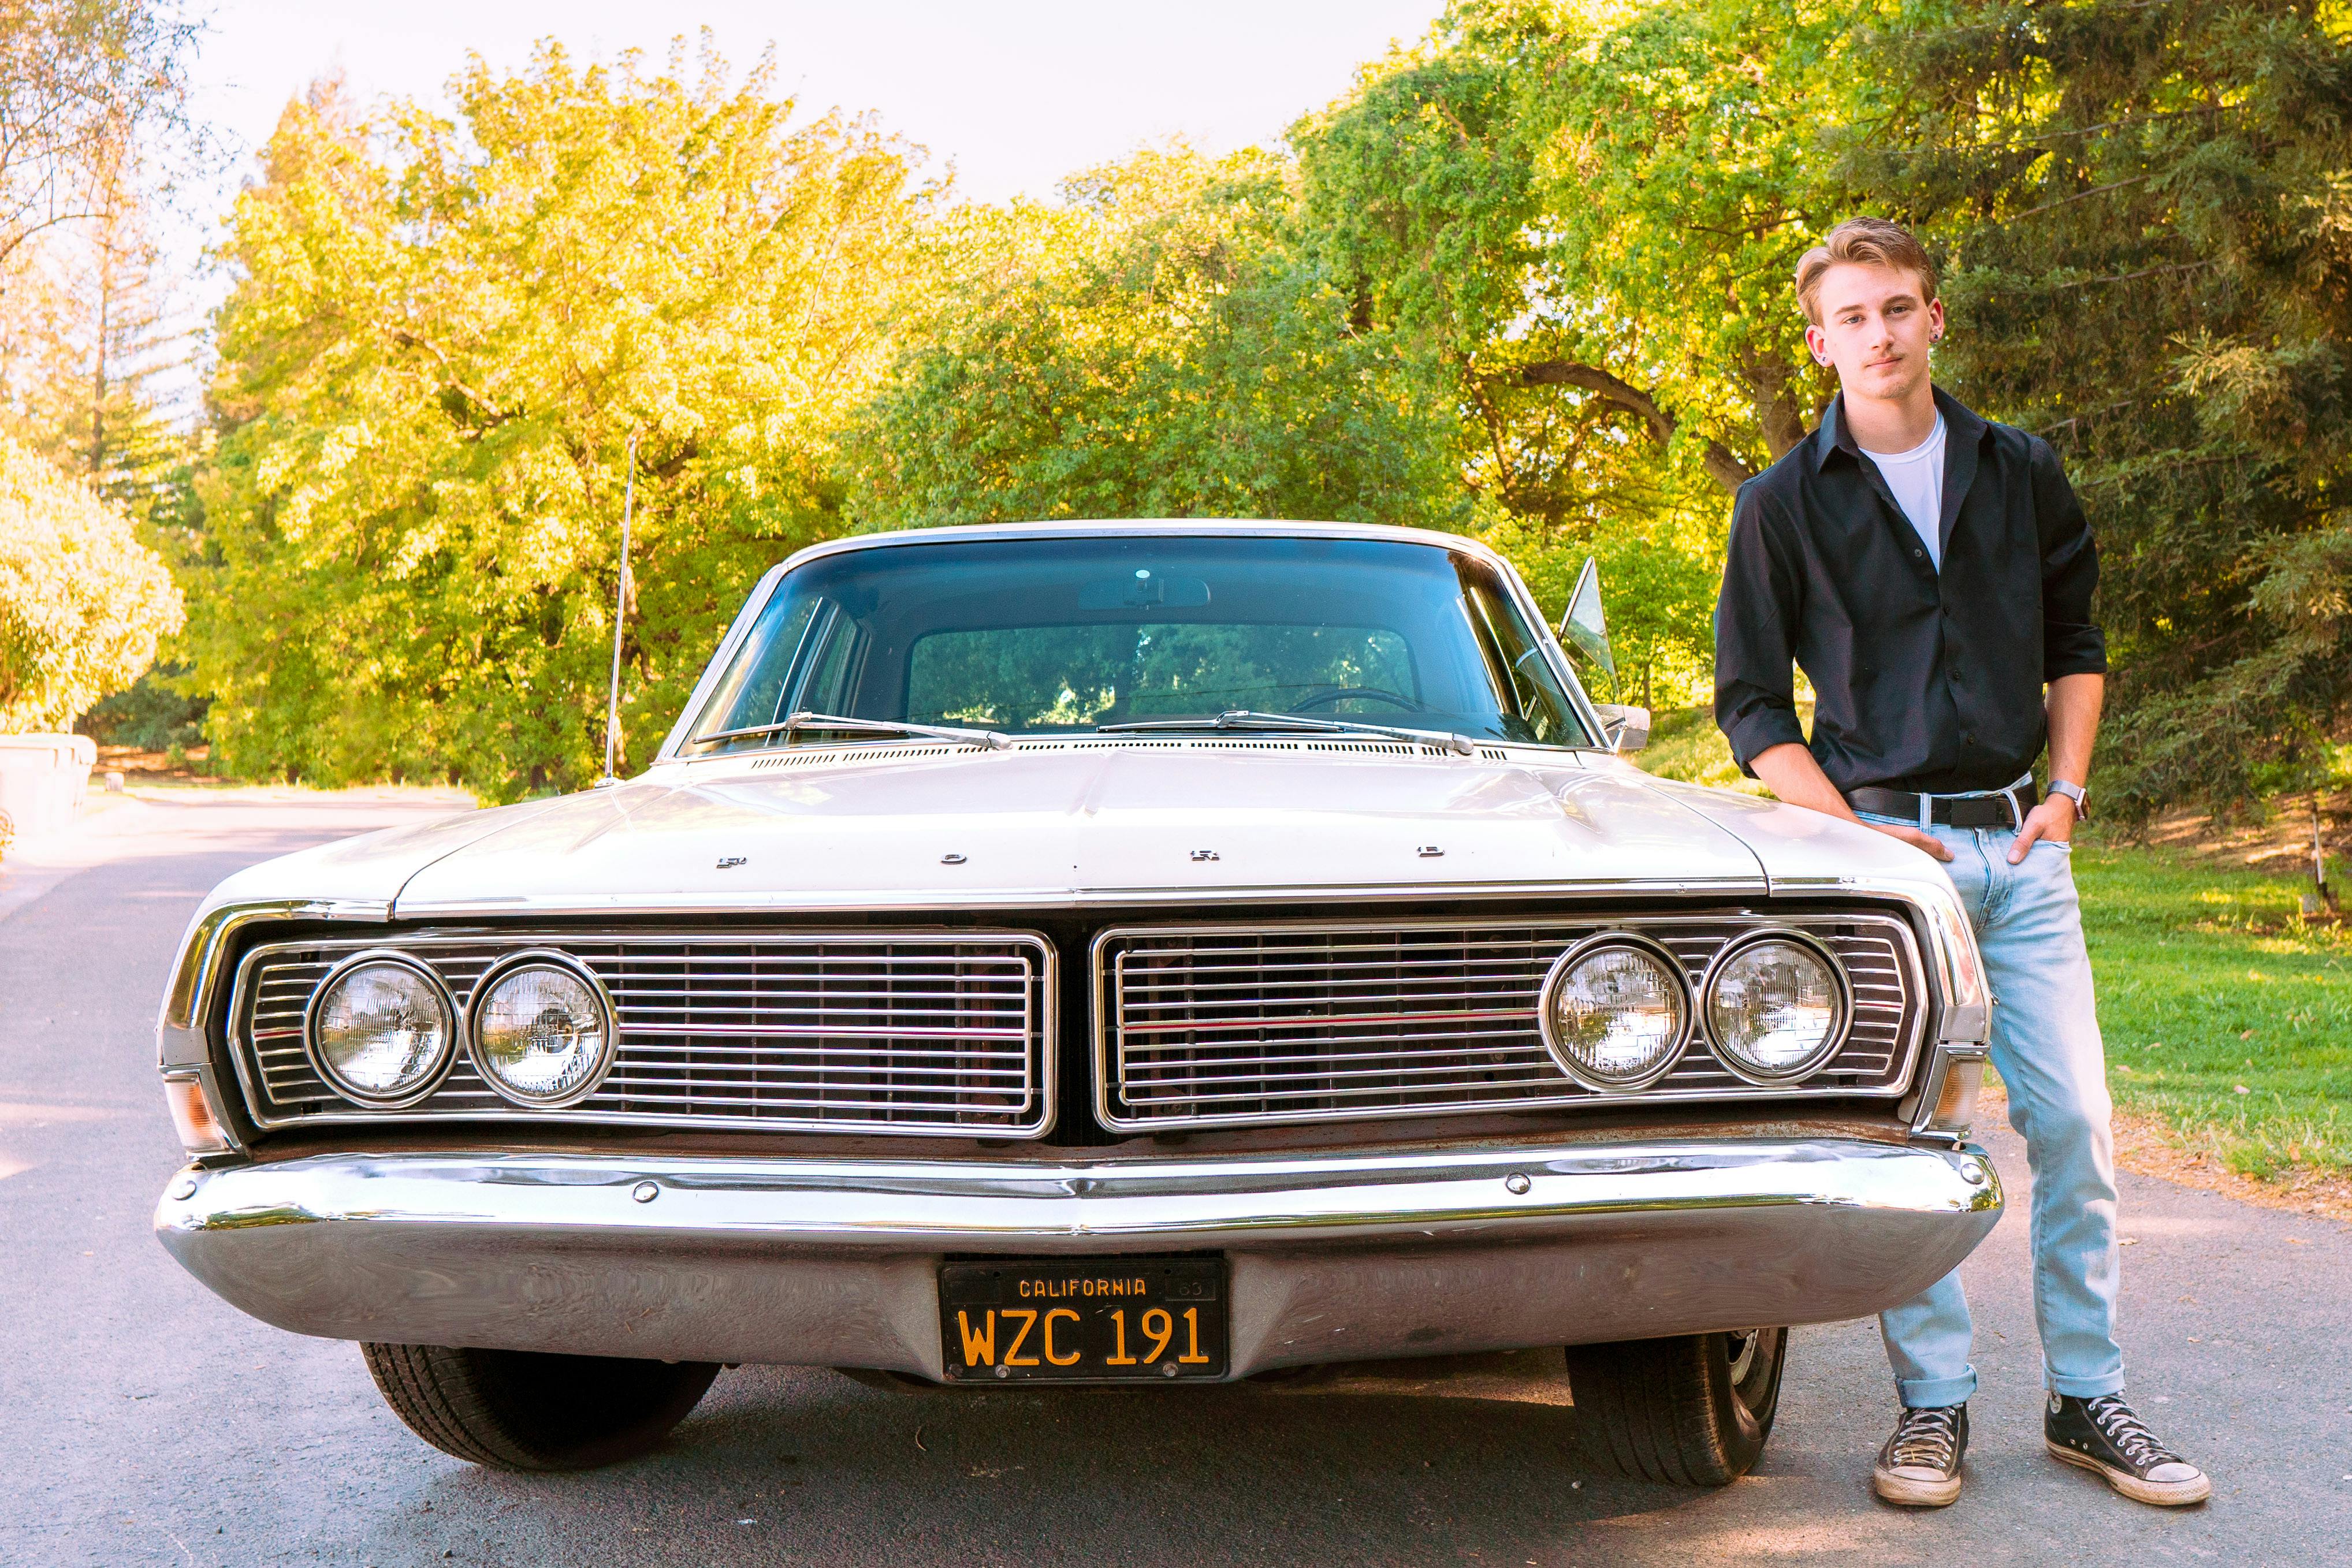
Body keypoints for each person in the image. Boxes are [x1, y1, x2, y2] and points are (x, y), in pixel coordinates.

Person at [1712, 217, 2210, 1509]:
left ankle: (2084, 1398)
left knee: (2074, 1127)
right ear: (1818, 342)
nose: (1877, 334)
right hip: (1882, 862)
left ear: (1934, 317)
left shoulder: (2018, 468)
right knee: (1915, 1135)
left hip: (2023, 847)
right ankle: (1930, 1409)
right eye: (1852, 317)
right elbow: (1750, 708)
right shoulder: (1777, 505)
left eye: (1898, 308)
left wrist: (2066, 792)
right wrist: (1849, 830)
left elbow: (2077, 638)